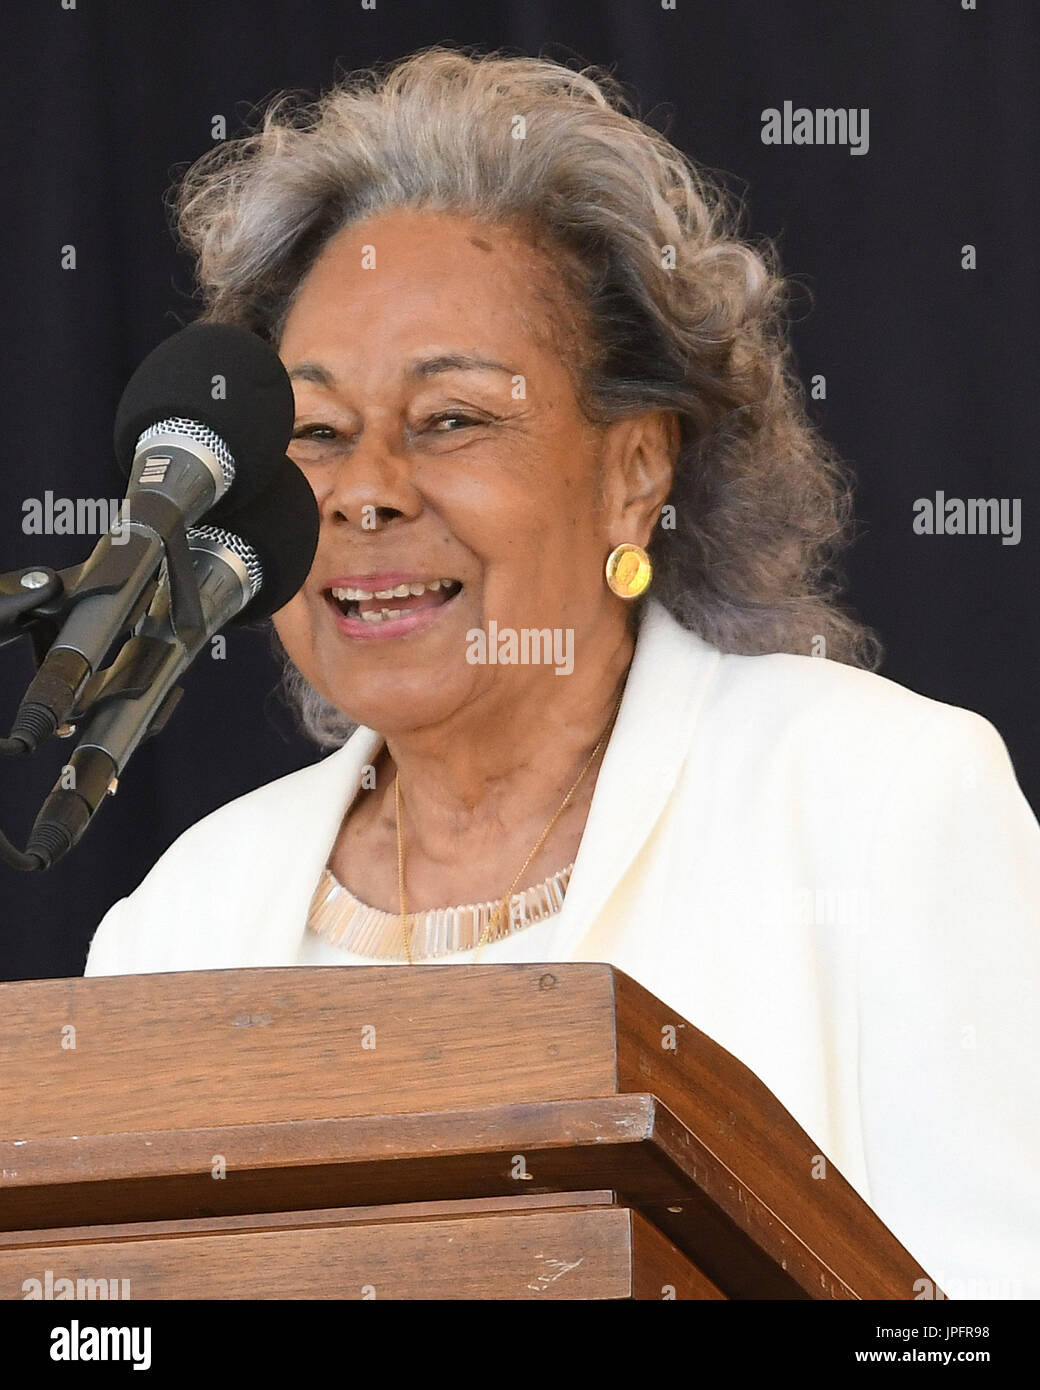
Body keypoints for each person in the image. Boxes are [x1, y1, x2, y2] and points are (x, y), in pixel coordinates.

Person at [84, 47, 1040, 1299]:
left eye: (451, 419)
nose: (363, 492)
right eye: (314, 435)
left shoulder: (875, 802)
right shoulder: (181, 921)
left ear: (634, 469)